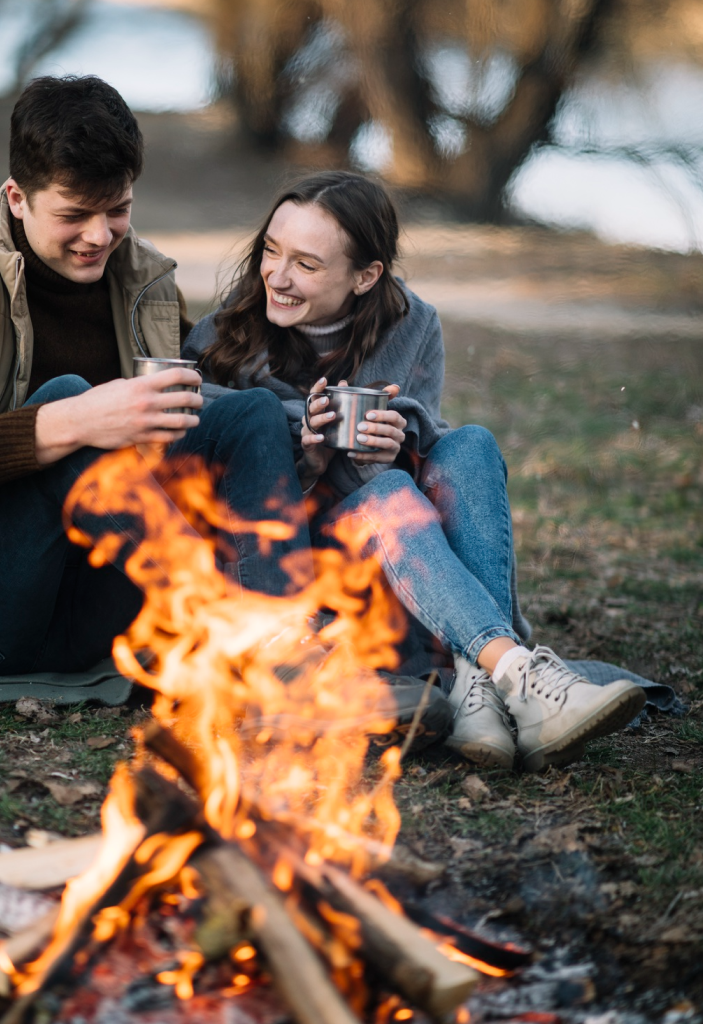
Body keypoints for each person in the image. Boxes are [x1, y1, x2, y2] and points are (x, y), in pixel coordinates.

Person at [0, 75, 312, 676]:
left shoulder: (146, 282)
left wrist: (307, 429)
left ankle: (283, 641)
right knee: (71, 399)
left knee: (250, 410)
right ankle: (218, 618)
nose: (99, 235)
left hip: (95, 611)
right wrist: (69, 421)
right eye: (74, 214)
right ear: (17, 197)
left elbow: (206, 420)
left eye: (119, 210)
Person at [182, 170, 646, 772]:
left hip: (392, 555)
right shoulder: (226, 335)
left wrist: (390, 447)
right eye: (271, 250)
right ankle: (510, 669)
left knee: (469, 445)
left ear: (366, 275)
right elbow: (214, 490)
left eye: (306, 263)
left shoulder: (413, 325)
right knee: (391, 492)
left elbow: (422, 452)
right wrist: (309, 453)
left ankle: (476, 690)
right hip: (298, 573)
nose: (277, 274)